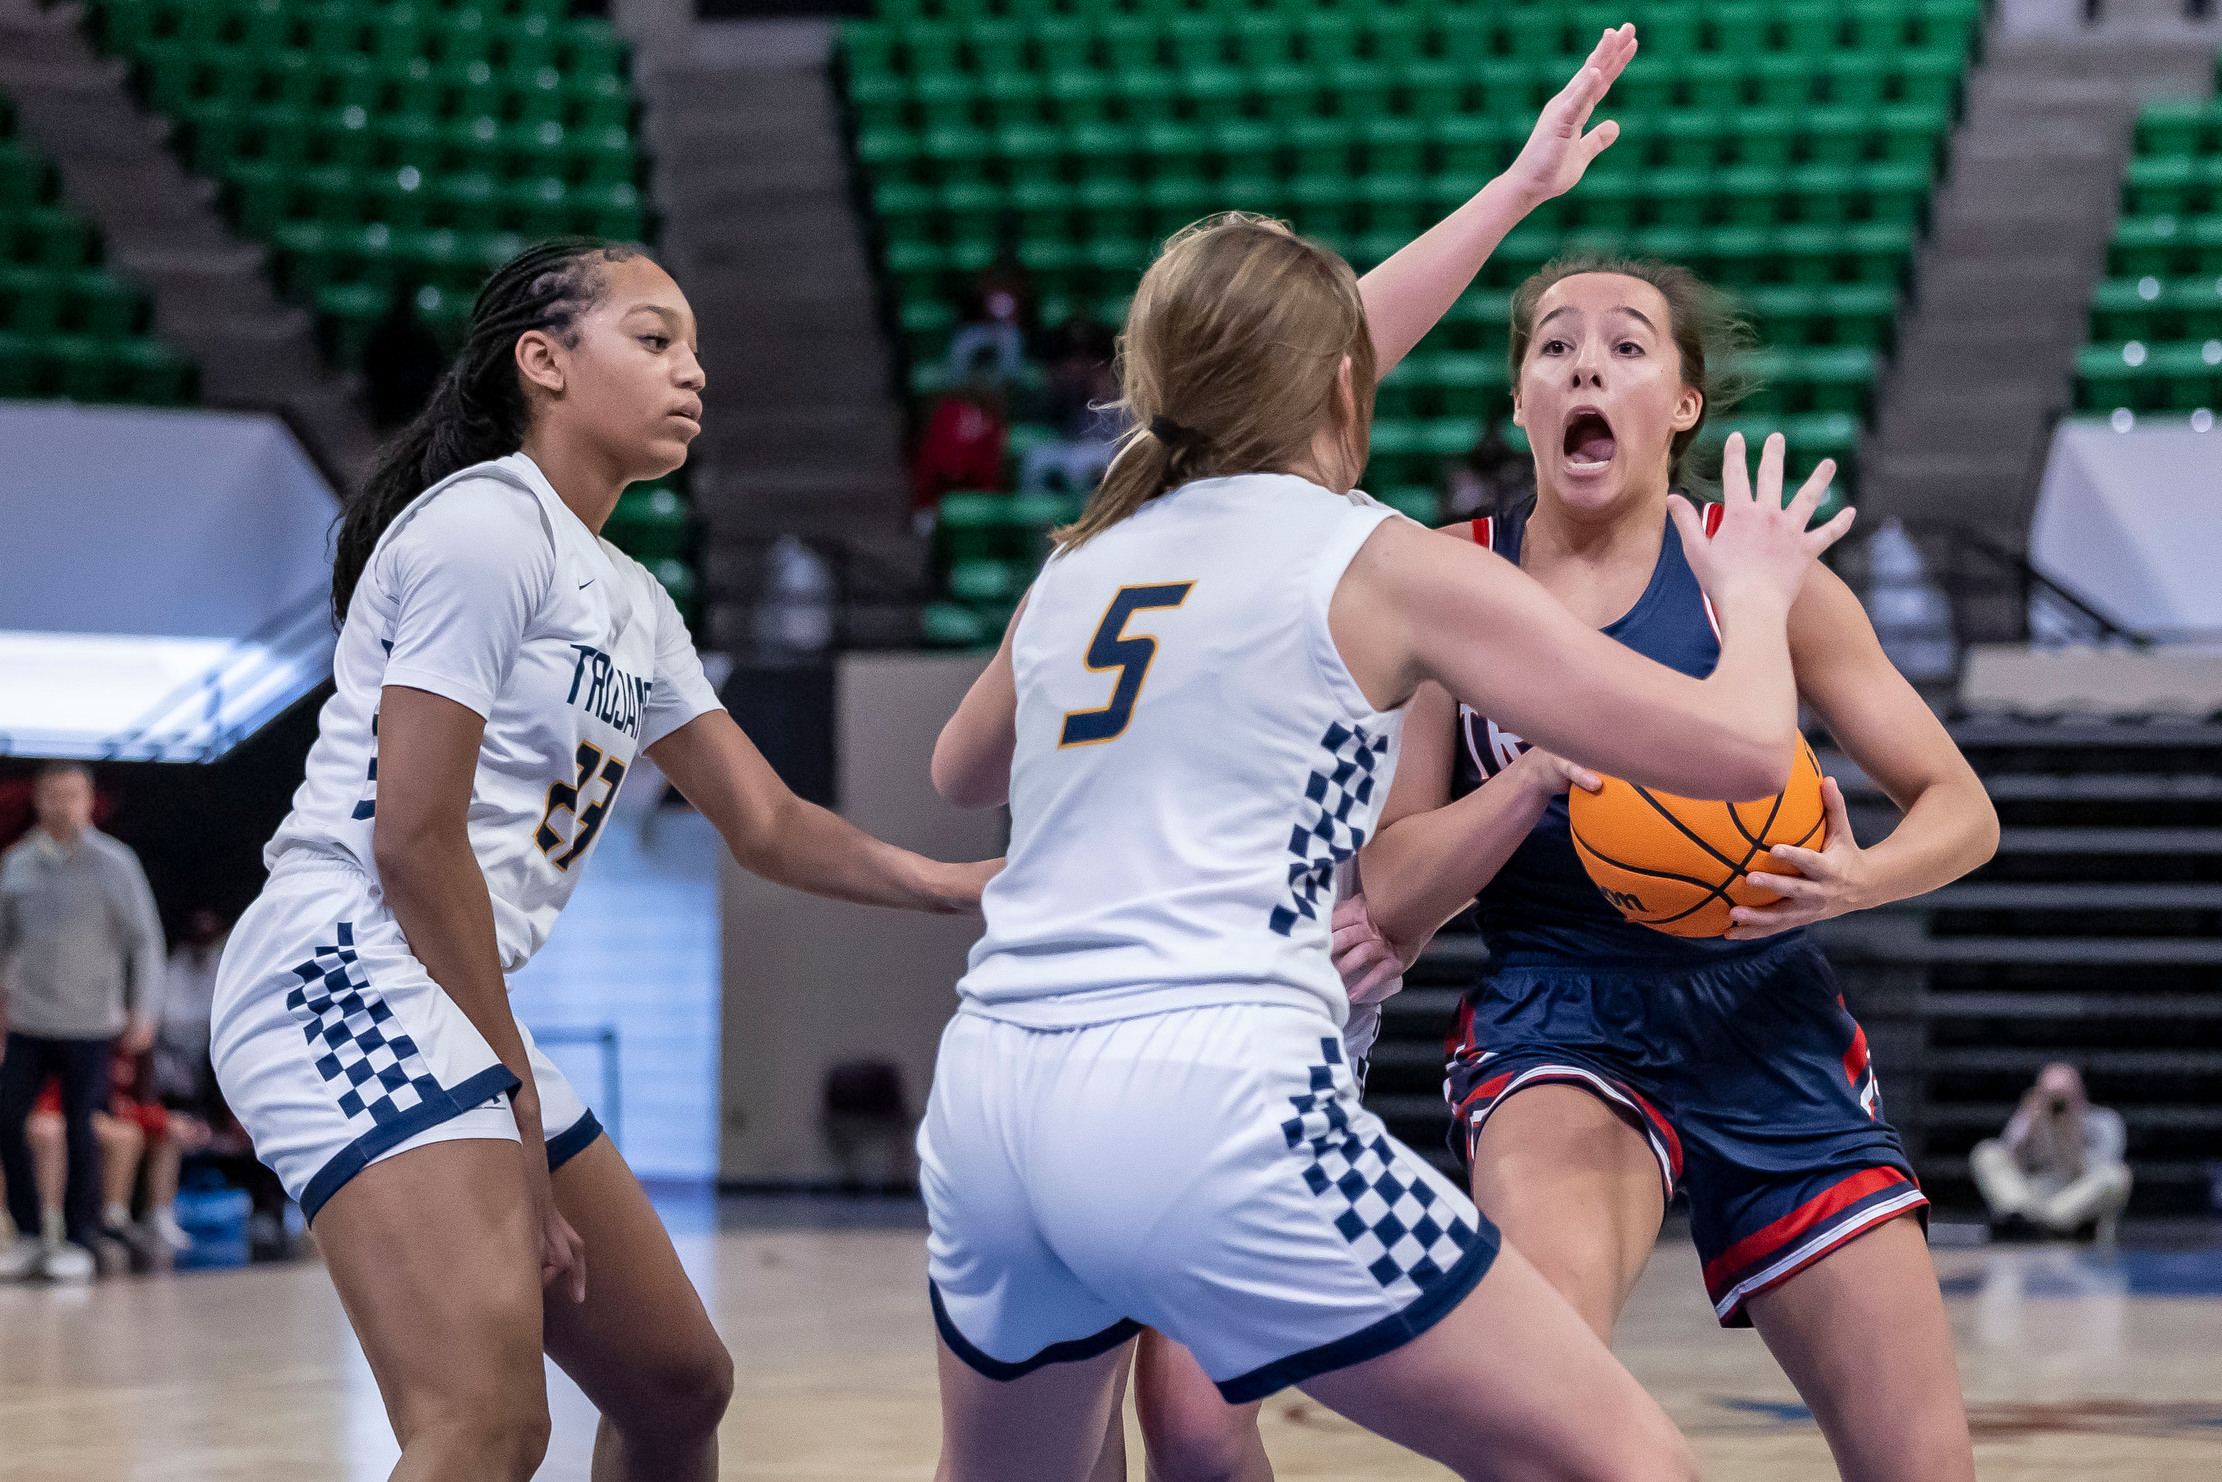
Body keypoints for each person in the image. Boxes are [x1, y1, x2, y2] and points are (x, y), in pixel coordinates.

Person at [920, 28, 1871, 1479]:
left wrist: (1511, 192)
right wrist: (1746, 597)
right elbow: (1745, 754)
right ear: (1344, 385)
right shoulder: (1385, 559)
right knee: (1629, 1466)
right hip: (1212, 1092)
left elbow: (959, 766)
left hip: (990, 1100)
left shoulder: (1087, 557)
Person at [210, 237, 1000, 1482]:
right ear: (544, 360)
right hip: (341, 970)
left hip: (439, 992)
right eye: (654, 338)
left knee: (678, 1384)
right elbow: (412, 843)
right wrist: (515, 1107)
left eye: (692, 348)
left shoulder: (633, 600)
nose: (692, 370)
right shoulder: (485, 527)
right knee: (484, 1424)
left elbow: (769, 825)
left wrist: (967, 888)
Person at [1300, 251, 2001, 1482]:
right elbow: (1392, 888)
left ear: (1679, 403)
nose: (1585, 361)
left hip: (1768, 1014)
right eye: (1553, 343)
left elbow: (1960, 807)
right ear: (1519, 397)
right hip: (1559, 1017)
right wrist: (1526, 781)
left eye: (1626, 344)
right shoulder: (1446, 579)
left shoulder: (1759, 572)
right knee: (1544, 1417)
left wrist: (1856, 881)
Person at [0, 761, 164, 1284]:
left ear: (90, 799)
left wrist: (145, 1010)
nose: (63, 804)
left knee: (82, 1130)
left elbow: (145, 941)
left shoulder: (116, 864)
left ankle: (79, 1239)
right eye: (54, 794)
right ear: (39, 799)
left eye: (74, 794)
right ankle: (28, 1233)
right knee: (8, 1119)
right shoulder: (17, 863)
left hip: (92, 1022)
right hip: (29, 1017)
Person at [1972, 1062, 2131, 1244]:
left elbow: (2101, 1170)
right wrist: (2032, 1125)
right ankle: (2025, 1218)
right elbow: (2010, 1161)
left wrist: (2072, 1134)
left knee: (2118, 1176)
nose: (2057, 1104)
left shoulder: (2104, 1121)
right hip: (2031, 1197)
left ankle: (2046, 1223)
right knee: (1987, 1152)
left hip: (2074, 1202)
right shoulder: (2029, 1117)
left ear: (2080, 1092)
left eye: (2064, 1095)